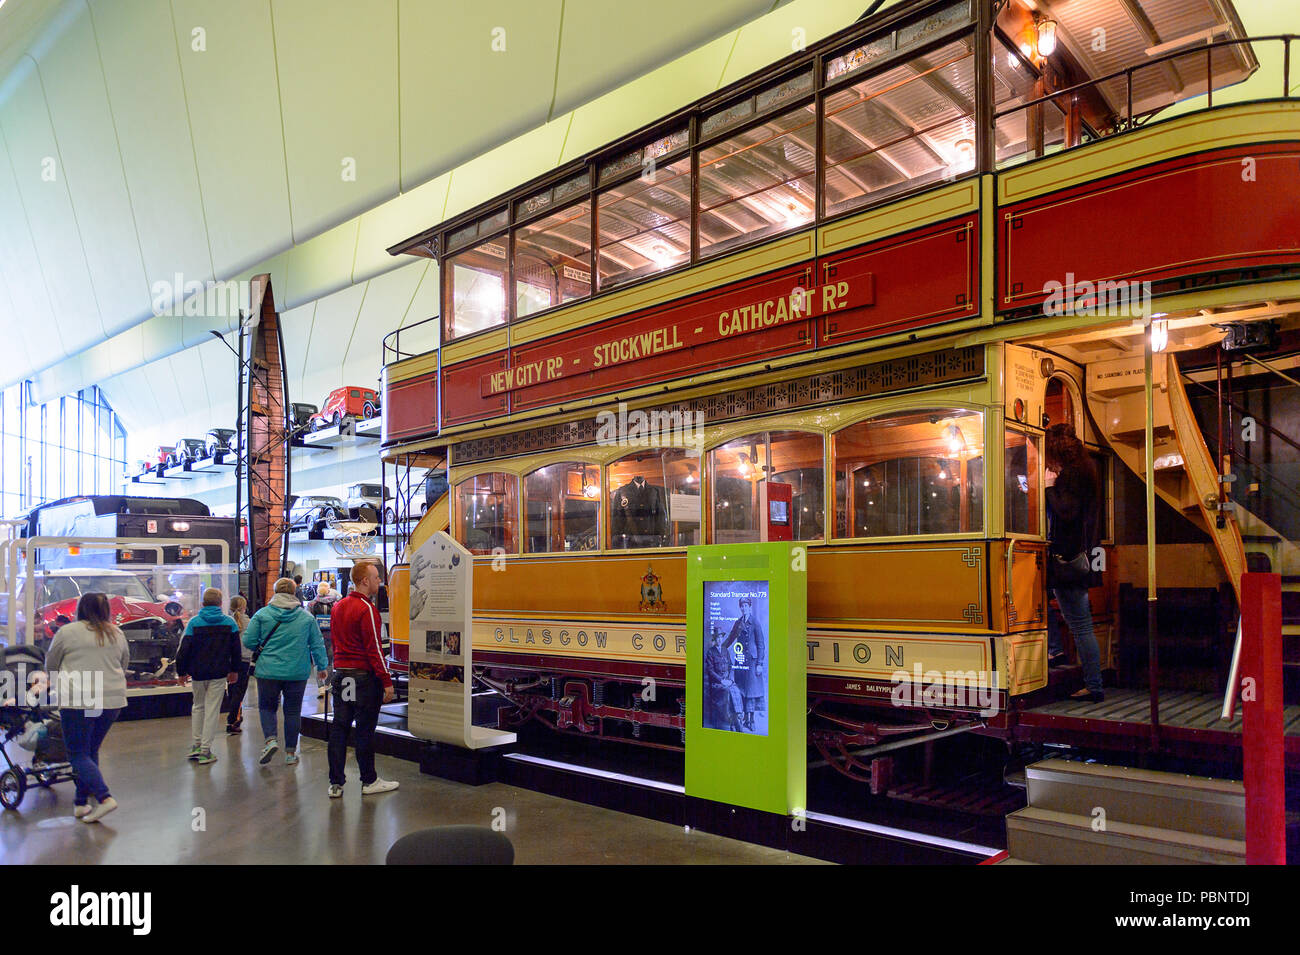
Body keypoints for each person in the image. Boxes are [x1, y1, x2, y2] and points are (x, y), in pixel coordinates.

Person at [43, 592, 129, 823]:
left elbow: (51, 663)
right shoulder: (117, 633)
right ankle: (80, 804)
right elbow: (124, 663)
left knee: (78, 754)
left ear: (80, 608)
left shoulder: (68, 632)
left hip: (78, 700)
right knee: (90, 751)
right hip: (111, 701)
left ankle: (104, 798)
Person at [326, 561, 399, 798]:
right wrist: (386, 680)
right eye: (377, 577)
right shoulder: (367, 609)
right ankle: (369, 780)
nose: (380, 581)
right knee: (364, 731)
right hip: (363, 679)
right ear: (365, 581)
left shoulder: (338, 606)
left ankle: (335, 783)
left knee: (339, 728)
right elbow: (374, 649)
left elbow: (335, 642)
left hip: (342, 675)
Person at [1045, 422, 1104, 702]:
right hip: (1084, 556)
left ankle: (1094, 686)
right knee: (1083, 625)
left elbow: (1065, 511)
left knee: (1080, 626)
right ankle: (1092, 683)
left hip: (1068, 560)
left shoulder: (1072, 474)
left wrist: (1048, 487)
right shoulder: (1089, 468)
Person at [243, 577, 329, 766]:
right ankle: (290, 753)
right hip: (297, 672)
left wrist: (262, 647)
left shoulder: (262, 614)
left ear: (275, 592)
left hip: (268, 671)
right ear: (293, 592)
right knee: (292, 711)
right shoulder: (306, 617)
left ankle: (270, 740)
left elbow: (248, 641)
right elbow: (317, 643)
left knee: (267, 707)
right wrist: (322, 667)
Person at [175, 588, 241, 764]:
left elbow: (183, 650)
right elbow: (236, 650)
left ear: (203, 604)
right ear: (220, 604)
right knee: (212, 710)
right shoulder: (230, 623)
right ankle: (205, 750)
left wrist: (181, 672)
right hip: (219, 673)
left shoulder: (194, 623)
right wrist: (234, 670)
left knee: (198, 706)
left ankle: (196, 744)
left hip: (198, 673)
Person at [727, 596, 765, 731]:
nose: (744, 608)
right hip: (741, 661)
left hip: (753, 663)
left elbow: (761, 644)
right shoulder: (738, 623)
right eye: (742, 606)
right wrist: (719, 647)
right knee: (741, 690)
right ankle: (743, 719)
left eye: (746, 606)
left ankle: (752, 720)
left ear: (750, 607)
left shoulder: (755, 622)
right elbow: (731, 638)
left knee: (752, 692)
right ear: (740, 608)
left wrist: (760, 663)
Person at [704, 625, 742, 732]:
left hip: (726, 680)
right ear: (714, 640)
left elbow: (730, 665)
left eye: (721, 637)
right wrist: (721, 680)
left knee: (736, 689)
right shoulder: (710, 652)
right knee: (727, 691)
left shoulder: (725, 650)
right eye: (717, 638)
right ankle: (732, 722)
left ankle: (736, 719)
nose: (719, 640)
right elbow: (710, 671)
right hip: (716, 683)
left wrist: (729, 679)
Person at [225, 595, 252, 734]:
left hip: (229, 660)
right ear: (243, 606)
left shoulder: (226, 621)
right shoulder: (248, 622)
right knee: (240, 692)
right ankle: (234, 720)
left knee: (232, 690)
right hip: (244, 660)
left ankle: (234, 716)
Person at [309, 582, 339, 699]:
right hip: (331, 636)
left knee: (318, 661)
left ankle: (320, 687)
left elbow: (309, 620)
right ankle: (327, 685)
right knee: (330, 661)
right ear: (328, 590)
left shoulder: (312, 604)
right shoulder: (336, 603)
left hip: (317, 636)